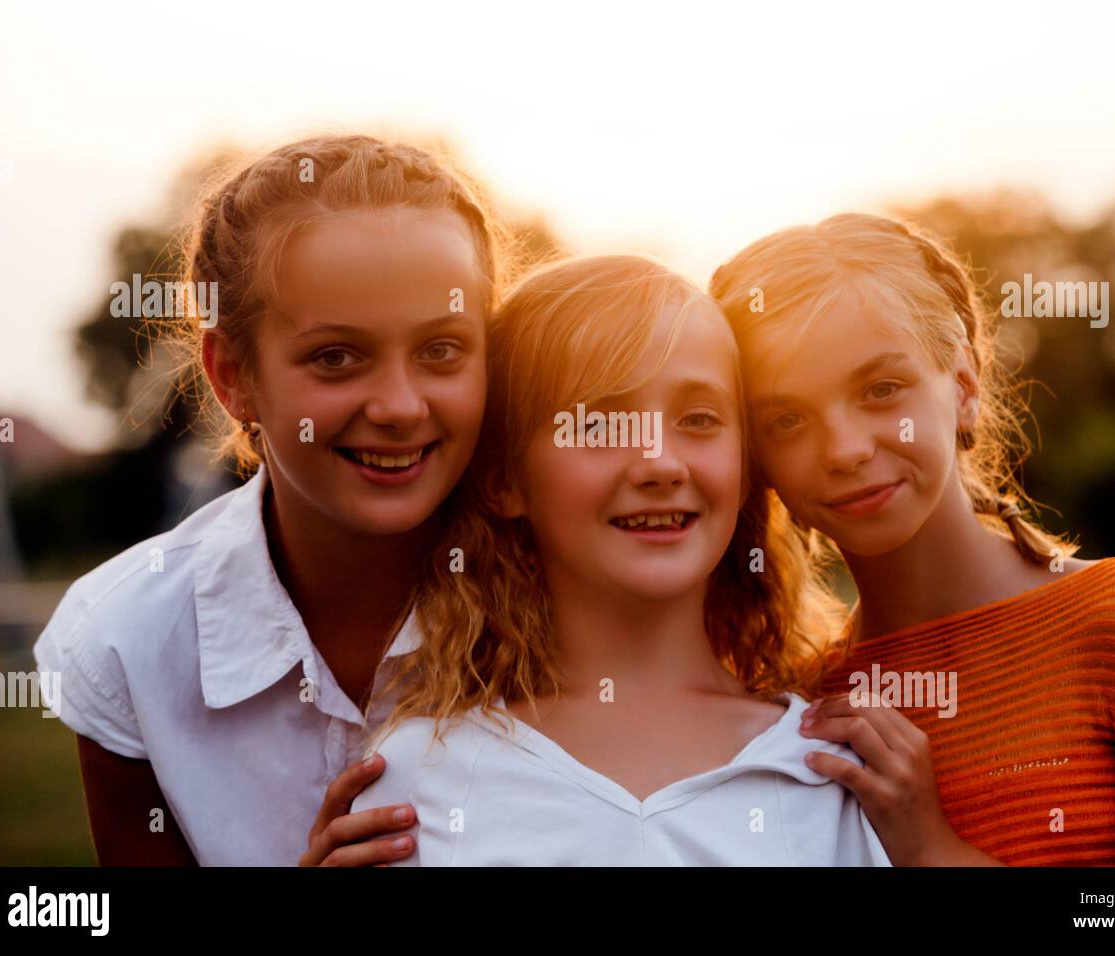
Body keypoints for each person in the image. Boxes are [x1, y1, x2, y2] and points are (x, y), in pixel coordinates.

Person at [709, 212, 1115, 865]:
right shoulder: (792, 706)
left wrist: (933, 850)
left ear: (964, 386)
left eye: (882, 389)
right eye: (788, 418)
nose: (845, 450)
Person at [34, 134, 503, 865]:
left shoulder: (576, 598)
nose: (401, 406)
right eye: (336, 356)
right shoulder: (129, 642)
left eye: (441, 349)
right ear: (232, 376)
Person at [353, 255, 889, 866]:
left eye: (699, 419)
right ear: (504, 479)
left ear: (744, 468)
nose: (660, 462)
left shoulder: (831, 765)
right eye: (601, 423)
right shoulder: (418, 779)